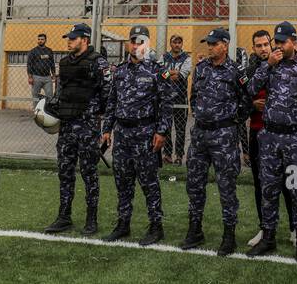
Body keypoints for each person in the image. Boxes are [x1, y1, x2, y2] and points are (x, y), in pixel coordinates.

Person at [245, 21, 297, 262]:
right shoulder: (269, 65)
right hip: (269, 139)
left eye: (282, 42)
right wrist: (267, 65)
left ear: (294, 43)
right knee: (268, 189)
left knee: (296, 189)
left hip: (294, 139)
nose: (277, 46)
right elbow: (250, 89)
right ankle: (268, 237)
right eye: (275, 42)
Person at [101, 25, 172, 245]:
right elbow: (112, 101)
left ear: (147, 44)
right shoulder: (120, 70)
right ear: (128, 44)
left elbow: (166, 104)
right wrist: (106, 129)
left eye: (140, 41)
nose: (136, 45)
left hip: (145, 133)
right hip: (122, 134)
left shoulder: (157, 70)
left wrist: (162, 131)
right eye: (133, 41)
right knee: (123, 181)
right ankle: (123, 224)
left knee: (149, 182)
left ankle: (156, 226)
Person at [181, 28, 249, 255]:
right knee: (194, 183)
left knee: (226, 186)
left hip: (224, 137)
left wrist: (230, 121)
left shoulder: (235, 71)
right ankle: (195, 229)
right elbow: (193, 97)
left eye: (213, 44)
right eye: (208, 44)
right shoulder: (200, 69)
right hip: (200, 135)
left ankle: (229, 235)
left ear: (225, 45)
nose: (209, 47)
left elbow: (246, 102)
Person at [43, 23, 109, 236]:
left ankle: (91, 218)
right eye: (68, 38)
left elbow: (107, 90)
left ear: (85, 39)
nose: (69, 41)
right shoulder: (64, 62)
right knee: (65, 172)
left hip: (87, 126)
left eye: (73, 38)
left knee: (89, 172)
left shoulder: (97, 62)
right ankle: (64, 216)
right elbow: (61, 89)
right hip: (67, 125)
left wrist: (96, 113)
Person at [242, 29, 296, 247]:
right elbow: (241, 97)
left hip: (282, 134)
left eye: (266, 44)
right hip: (257, 133)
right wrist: (252, 105)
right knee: (260, 184)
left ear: (271, 44)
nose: (263, 49)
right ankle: (264, 228)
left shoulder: (284, 64)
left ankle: (294, 228)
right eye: (258, 45)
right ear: (253, 48)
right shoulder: (249, 69)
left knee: (288, 182)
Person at [161, 34, 191, 164]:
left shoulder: (187, 58)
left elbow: (182, 75)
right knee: (166, 126)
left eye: (179, 42)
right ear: (170, 44)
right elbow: (161, 74)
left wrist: (169, 73)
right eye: (175, 42)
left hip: (180, 98)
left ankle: (179, 155)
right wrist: (171, 73)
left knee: (180, 129)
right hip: (166, 97)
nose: (177, 44)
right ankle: (167, 154)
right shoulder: (164, 57)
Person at [26, 33, 58, 106]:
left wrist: (53, 75)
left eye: (42, 39)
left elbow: (52, 64)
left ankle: (48, 113)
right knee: (35, 97)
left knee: (50, 96)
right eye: (39, 39)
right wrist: (30, 77)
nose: (40, 41)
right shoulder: (33, 51)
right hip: (36, 77)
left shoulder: (49, 51)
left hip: (47, 78)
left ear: (45, 40)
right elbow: (29, 65)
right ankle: (36, 112)